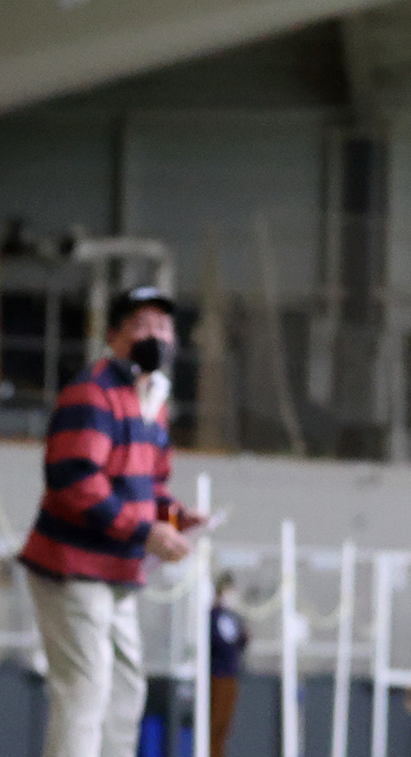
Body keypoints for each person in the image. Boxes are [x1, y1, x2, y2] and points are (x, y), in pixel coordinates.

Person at [18, 286, 206, 757]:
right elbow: (75, 480)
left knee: (126, 692)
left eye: (164, 328)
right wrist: (146, 531)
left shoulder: (152, 401)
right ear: (114, 336)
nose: (156, 336)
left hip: (118, 571)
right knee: (84, 690)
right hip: (72, 567)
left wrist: (175, 517)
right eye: (142, 326)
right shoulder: (94, 393)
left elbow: (149, 484)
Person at [209, 572, 250, 757]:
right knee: (213, 723)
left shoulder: (232, 617)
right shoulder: (212, 616)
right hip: (215, 676)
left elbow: (238, 643)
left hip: (230, 676)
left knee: (224, 725)